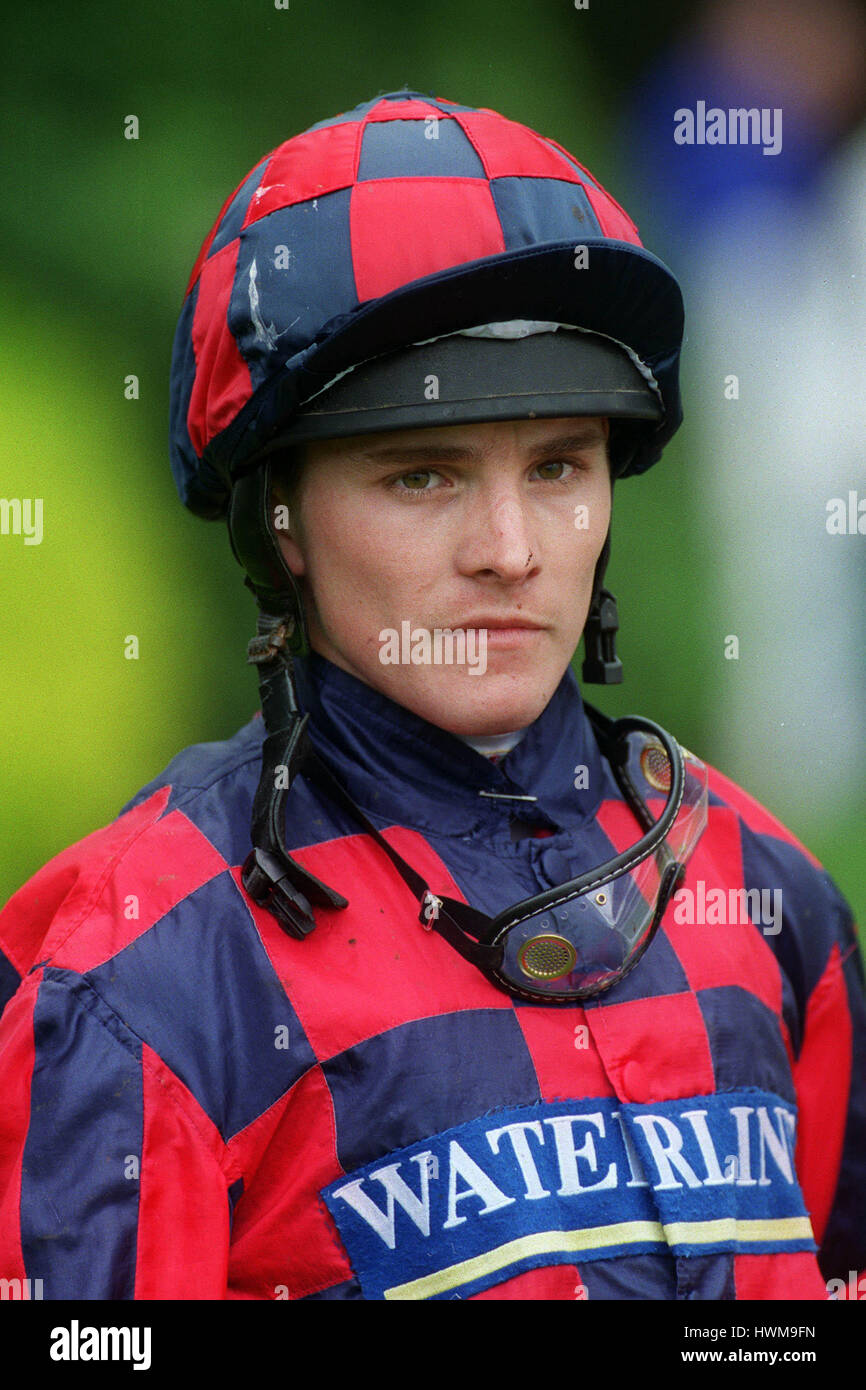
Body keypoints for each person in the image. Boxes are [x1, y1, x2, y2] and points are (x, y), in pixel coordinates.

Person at [0, 90, 863, 1303]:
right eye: (422, 475)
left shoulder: (769, 894)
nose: (511, 549)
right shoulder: (137, 966)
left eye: (559, 465)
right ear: (279, 522)